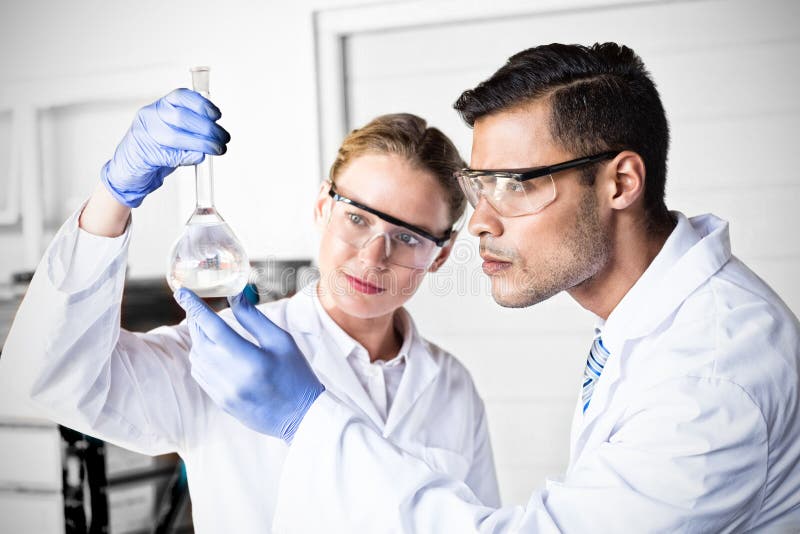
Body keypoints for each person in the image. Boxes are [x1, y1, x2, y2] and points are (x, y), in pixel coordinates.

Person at [174, 42, 800, 532]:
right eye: (481, 186)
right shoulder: (654, 318)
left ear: (621, 182)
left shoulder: (708, 375)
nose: (480, 221)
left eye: (517, 184)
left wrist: (306, 420)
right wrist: (115, 201)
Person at [0, 94, 501, 531]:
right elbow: (48, 377)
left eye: (408, 237)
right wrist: (112, 196)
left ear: (440, 252)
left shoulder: (453, 388)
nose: (373, 256)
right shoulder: (225, 352)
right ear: (323, 208)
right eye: (356, 217)